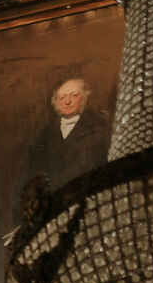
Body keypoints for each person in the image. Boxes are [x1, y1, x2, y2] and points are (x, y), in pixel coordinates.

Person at [19, 75, 110, 212]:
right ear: (55, 102)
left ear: (84, 98)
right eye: (62, 97)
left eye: (74, 95)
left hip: (88, 204)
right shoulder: (45, 133)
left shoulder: (98, 128)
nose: (67, 101)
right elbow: (34, 172)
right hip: (52, 206)